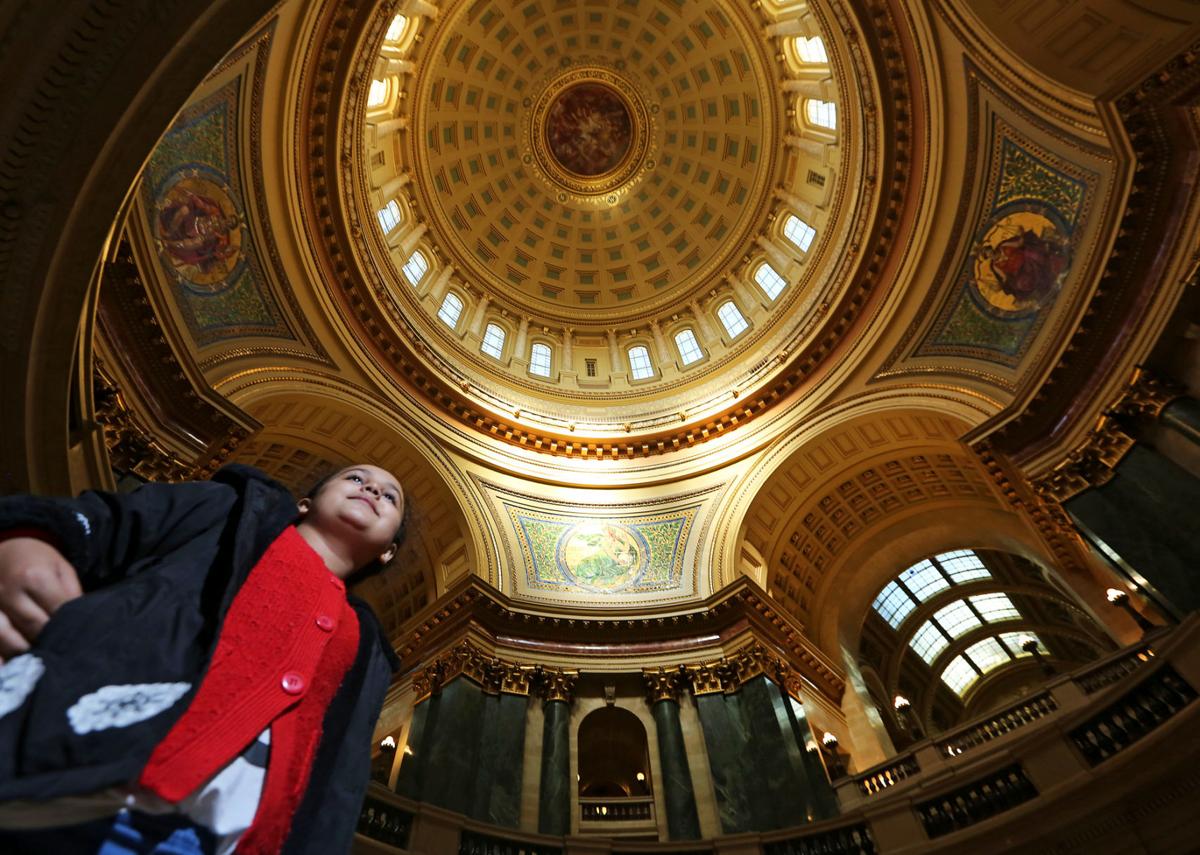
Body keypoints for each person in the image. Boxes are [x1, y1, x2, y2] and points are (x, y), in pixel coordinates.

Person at [0, 463, 407, 854]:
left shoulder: (365, 646)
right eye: (355, 478)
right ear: (304, 503)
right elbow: (112, 519)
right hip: (66, 788)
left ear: (388, 552)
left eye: (390, 496)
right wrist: (25, 537)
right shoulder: (228, 513)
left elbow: (336, 787)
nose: (372, 490)